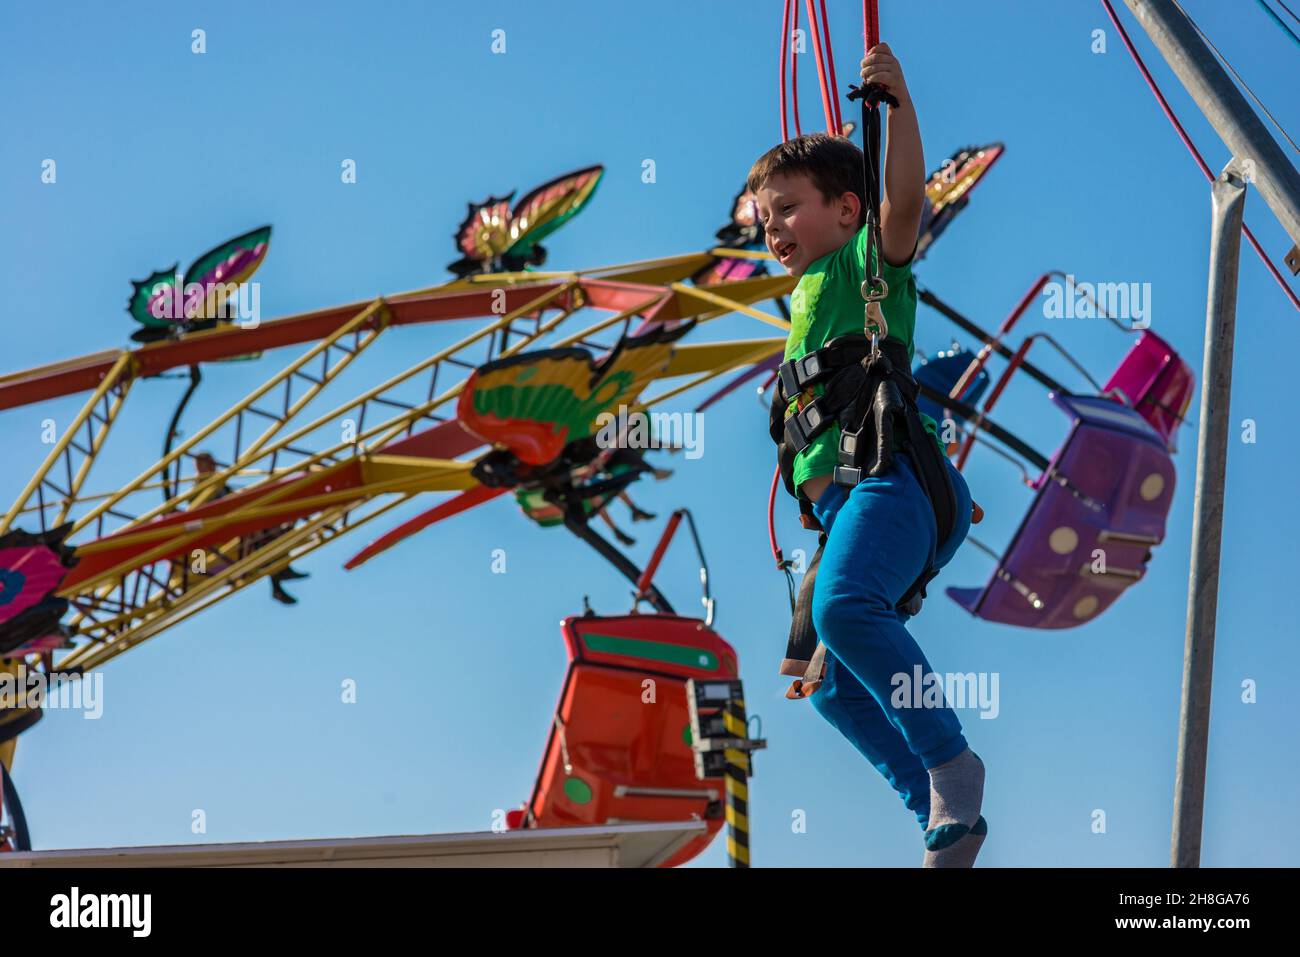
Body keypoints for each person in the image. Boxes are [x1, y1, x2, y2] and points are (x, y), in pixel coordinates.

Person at [750, 44, 986, 866]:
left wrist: (900, 106)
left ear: (845, 211)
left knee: (846, 610)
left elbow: (905, 199)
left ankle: (952, 764)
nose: (770, 227)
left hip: (896, 482)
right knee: (829, 687)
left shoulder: (866, 265)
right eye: (763, 217)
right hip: (848, 507)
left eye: (785, 209)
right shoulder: (807, 300)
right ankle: (930, 803)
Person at [192, 452, 309, 606]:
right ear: (200, 465)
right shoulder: (202, 486)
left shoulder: (217, 483)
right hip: (223, 528)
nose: (215, 465)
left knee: (274, 532)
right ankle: (279, 577)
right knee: (264, 533)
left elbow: (231, 500)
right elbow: (206, 510)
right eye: (210, 463)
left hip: (234, 521)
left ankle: (280, 574)